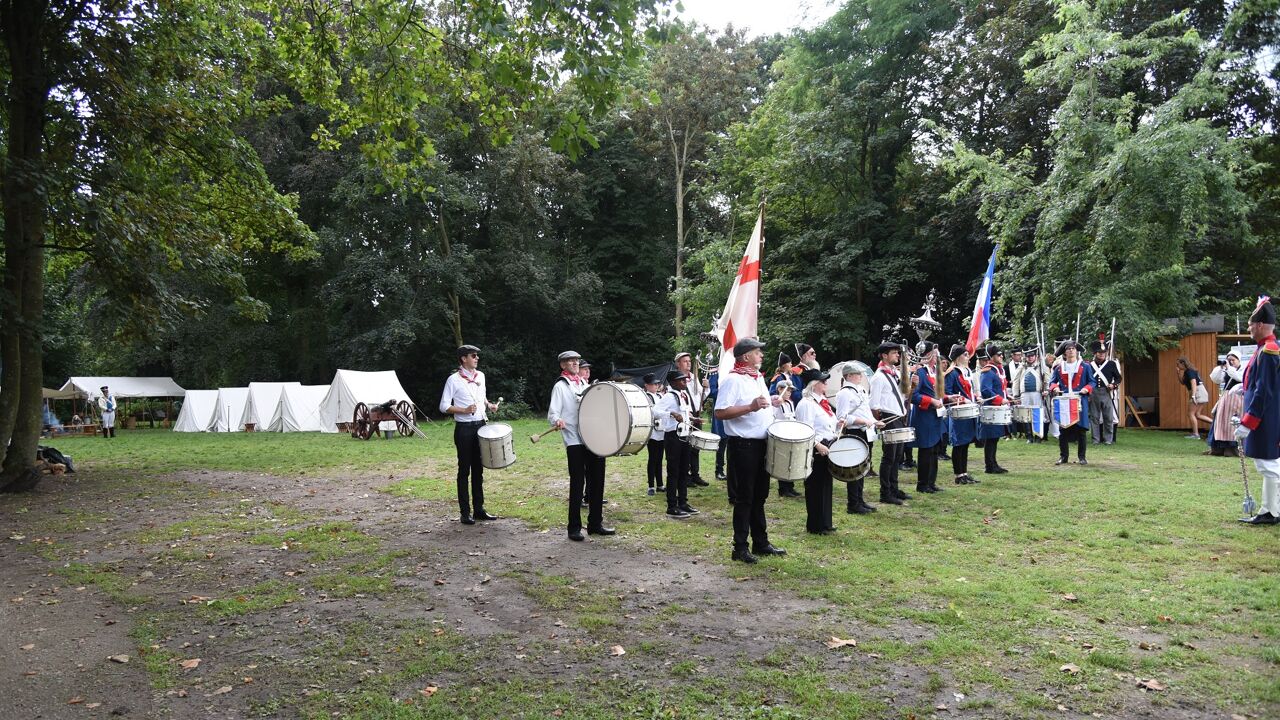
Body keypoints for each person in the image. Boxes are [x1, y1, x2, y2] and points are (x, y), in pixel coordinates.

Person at [715, 337, 787, 563]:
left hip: (762, 443)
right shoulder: (733, 380)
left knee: (760, 496)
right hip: (744, 445)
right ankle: (740, 547)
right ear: (745, 356)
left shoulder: (757, 379)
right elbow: (720, 412)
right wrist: (751, 406)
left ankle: (761, 542)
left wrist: (771, 402)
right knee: (745, 497)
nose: (762, 356)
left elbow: (760, 406)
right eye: (758, 352)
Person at [548, 350, 613, 541]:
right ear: (563, 365)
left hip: (593, 438)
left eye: (577, 360)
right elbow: (552, 413)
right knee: (578, 483)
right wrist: (557, 420)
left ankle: (595, 524)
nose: (576, 363)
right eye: (571, 361)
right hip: (574, 440)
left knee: (597, 481)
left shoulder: (584, 383)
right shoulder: (560, 386)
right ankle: (574, 527)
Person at [439, 344, 500, 525]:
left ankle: (479, 509)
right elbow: (443, 406)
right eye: (473, 356)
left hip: (481, 426)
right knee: (464, 470)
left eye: (477, 356)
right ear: (463, 358)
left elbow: (481, 397)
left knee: (479, 470)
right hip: (464, 429)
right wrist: (463, 410)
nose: (477, 358)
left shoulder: (480, 376)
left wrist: (489, 405)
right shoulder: (453, 380)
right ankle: (465, 512)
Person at [1234, 296, 1280, 525]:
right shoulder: (1265, 348)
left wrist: (1247, 422)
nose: (1249, 328)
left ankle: (1272, 513)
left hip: (1265, 418)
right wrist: (1244, 390)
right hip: (1265, 415)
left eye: (1251, 324)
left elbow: (1265, 391)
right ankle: (1268, 510)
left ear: (1260, 325)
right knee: (1267, 465)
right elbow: (1259, 385)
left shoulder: (1269, 350)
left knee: (1269, 465)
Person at [795, 367, 837, 534]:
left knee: (826, 485)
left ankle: (825, 522)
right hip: (816, 450)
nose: (826, 382)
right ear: (813, 385)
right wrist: (818, 445)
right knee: (815, 487)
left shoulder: (822, 402)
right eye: (822, 380)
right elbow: (805, 430)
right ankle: (815, 525)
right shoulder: (806, 404)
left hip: (828, 447)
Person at [870, 340, 911, 504]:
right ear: (884, 356)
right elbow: (874, 404)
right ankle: (885, 493)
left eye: (897, 352)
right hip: (889, 418)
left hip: (899, 417)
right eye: (894, 353)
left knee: (898, 457)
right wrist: (880, 421)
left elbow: (902, 396)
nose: (898, 355)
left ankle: (894, 488)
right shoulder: (878, 377)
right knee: (889, 457)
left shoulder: (894, 373)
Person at [656, 369, 700, 518]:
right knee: (673, 472)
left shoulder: (684, 395)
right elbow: (655, 411)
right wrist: (671, 414)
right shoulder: (669, 396)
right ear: (673, 382)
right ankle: (671, 505)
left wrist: (692, 419)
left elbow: (684, 413)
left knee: (683, 471)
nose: (684, 382)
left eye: (684, 379)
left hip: (684, 435)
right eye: (681, 380)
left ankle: (683, 502)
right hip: (673, 436)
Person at [835, 363, 879, 513]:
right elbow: (841, 418)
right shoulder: (844, 393)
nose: (861, 376)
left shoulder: (860, 390)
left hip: (866, 432)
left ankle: (860, 500)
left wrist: (874, 421)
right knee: (855, 470)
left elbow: (865, 411)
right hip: (855, 433)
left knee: (863, 469)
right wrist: (862, 421)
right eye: (858, 374)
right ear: (848, 376)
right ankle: (853, 504)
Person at [1049, 340, 1096, 465]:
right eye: (1068, 349)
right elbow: (1052, 382)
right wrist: (1055, 388)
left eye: (1073, 348)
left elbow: (1092, 382)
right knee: (1063, 430)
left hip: (1080, 399)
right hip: (1064, 401)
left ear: (1076, 351)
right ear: (1064, 352)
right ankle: (1063, 457)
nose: (1071, 350)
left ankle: (1082, 457)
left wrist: (1087, 388)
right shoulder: (1059, 368)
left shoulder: (1085, 366)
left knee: (1081, 430)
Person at [909, 341, 946, 494]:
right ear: (929, 355)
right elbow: (914, 396)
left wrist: (946, 398)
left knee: (934, 451)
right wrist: (931, 401)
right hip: (924, 417)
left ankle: (931, 482)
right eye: (935, 354)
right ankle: (922, 484)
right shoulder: (921, 373)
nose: (938, 356)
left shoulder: (934, 371)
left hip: (935, 417)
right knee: (926, 451)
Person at [674, 352, 710, 488]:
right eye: (685, 361)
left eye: (689, 361)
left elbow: (701, 395)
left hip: (696, 415)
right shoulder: (675, 379)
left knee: (696, 447)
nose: (688, 363)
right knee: (686, 447)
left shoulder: (694, 377)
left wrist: (706, 387)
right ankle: (686, 476)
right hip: (685, 416)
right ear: (678, 364)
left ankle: (695, 474)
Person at [945, 344, 979, 484]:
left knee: (965, 443)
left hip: (968, 411)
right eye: (965, 355)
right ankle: (958, 475)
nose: (968, 358)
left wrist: (975, 398)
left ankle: (964, 473)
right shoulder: (952, 373)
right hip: (958, 412)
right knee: (959, 444)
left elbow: (969, 391)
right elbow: (946, 393)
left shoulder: (965, 372)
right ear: (958, 357)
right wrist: (960, 399)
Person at [976, 344, 1009, 474]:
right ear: (992, 357)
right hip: (991, 408)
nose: (1001, 357)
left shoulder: (998, 370)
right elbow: (985, 391)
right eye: (998, 355)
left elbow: (999, 389)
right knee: (991, 438)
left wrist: (1007, 396)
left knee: (995, 438)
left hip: (998, 408)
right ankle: (989, 465)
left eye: (1002, 355)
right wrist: (1000, 400)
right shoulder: (988, 371)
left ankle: (993, 463)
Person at [1208, 352, 1245, 456]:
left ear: (1239, 360)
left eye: (1233, 360)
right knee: (1221, 424)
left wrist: (1229, 368)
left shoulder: (1243, 370)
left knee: (1234, 424)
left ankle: (1233, 450)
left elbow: (1240, 378)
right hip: (1226, 400)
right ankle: (1218, 449)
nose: (1231, 362)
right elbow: (1215, 379)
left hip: (1238, 399)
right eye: (1229, 360)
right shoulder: (1227, 370)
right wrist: (1220, 368)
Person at [771, 378, 802, 498]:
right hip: (781, 434)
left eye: (790, 390)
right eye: (787, 390)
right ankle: (783, 488)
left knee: (791, 460)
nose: (789, 392)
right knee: (783, 461)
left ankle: (790, 487)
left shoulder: (790, 403)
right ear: (780, 389)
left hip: (791, 433)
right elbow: (773, 418)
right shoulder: (775, 403)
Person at [1088, 340, 1122, 445]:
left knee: (1108, 417)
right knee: (1095, 417)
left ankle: (1108, 439)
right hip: (1093, 393)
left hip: (1107, 392)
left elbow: (1118, 378)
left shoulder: (1111, 364)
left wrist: (1113, 385)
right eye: (1099, 352)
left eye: (1103, 352)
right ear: (1095, 353)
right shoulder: (1089, 365)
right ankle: (1095, 439)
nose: (1102, 354)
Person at [1176, 357, 1213, 440]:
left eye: (1178, 364)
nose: (1177, 366)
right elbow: (1183, 383)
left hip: (1197, 392)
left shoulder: (1189, 371)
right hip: (1200, 391)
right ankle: (1215, 423)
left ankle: (1196, 435)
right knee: (1197, 415)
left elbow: (1193, 382)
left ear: (1183, 363)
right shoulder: (1187, 371)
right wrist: (1178, 373)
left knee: (1191, 414)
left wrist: (1193, 395)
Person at [642, 373, 666, 495]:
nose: (656, 385)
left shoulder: (660, 396)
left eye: (657, 383)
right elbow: (653, 412)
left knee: (660, 458)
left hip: (661, 431)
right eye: (653, 384)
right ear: (646, 385)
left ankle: (660, 484)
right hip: (652, 432)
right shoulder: (646, 397)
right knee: (653, 459)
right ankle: (651, 485)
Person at [1021, 347, 1046, 443]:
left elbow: (1047, 379)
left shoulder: (1041, 367)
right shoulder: (1022, 367)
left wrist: (1046, 389)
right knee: (1026, 415)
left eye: (1032, 356)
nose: (1030, 358)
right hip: (1025, 394)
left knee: (1037, 414)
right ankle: (1029, 436)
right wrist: (1016, 395)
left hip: (1037, 393)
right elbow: (1017, 380)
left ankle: (1038, 436)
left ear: (1035, 356)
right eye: (1028, 356)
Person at [707, 365, 727, 479]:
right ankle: (719, 470)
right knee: (722, 444)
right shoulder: (715, 373)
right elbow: (712, 392)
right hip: (721, 412)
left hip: (734, 414)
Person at [1008, 349, 1026, 438]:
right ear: (1013, 356)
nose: (1020, 357)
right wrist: (1010, 382)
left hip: (1021, 391)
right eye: (1017, 355)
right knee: (1012, 413)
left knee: (1022, 412)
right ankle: (1012, 432)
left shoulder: (1024, 366)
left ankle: (1022, 432)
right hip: (1011, 391)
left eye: (1020, 355)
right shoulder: (1007, 367)